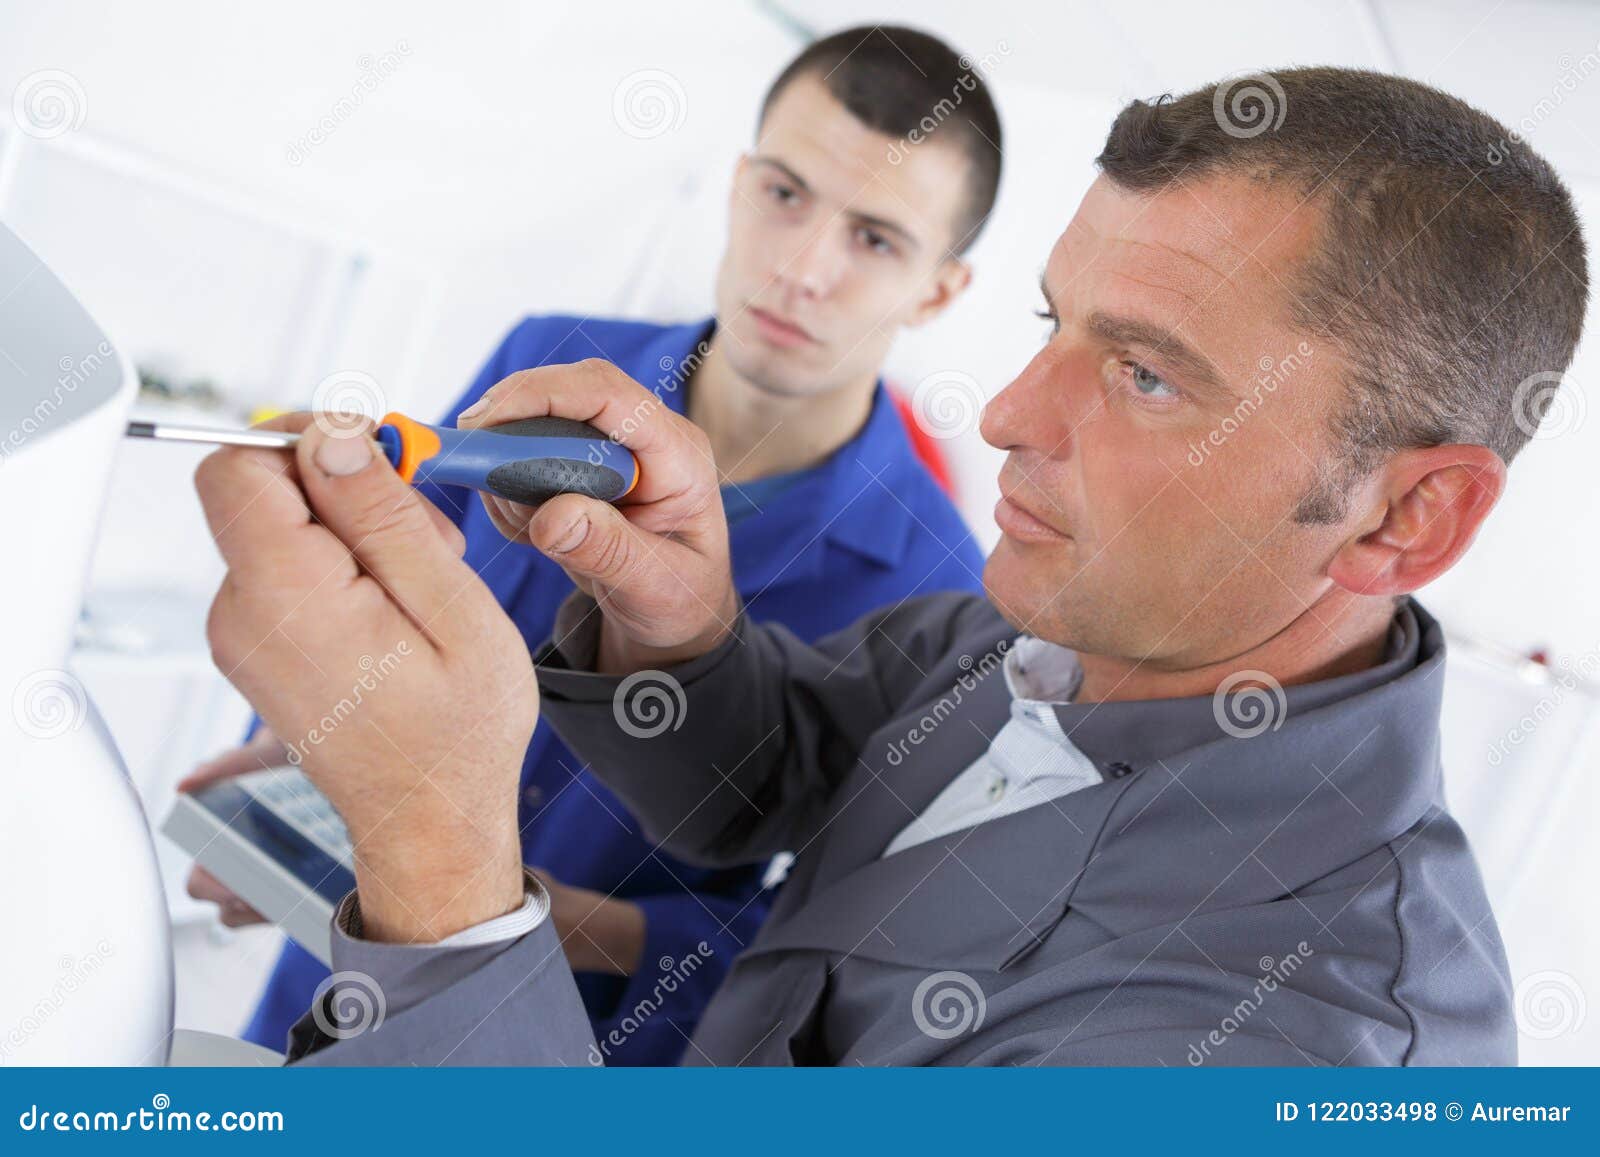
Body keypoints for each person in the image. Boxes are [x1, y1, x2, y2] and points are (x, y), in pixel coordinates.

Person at [191, 65, 1588, 1066]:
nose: (1006, 418)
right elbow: (786, 762)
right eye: (1060, 324)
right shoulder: (1030, 633)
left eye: (1150, 377)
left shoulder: (1293, 1038)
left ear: (1408, 518)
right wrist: (673, 626)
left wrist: (437, 856)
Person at [179, 24, 999, 1063]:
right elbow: (392, 586)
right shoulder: (546, 356)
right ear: (741, 184)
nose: (801, 268)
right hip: (338, 966)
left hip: (573, 1049)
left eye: (874, 238)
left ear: (936, 289)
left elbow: (831, 947)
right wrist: (299, 750)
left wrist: (498, 899)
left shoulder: (941, 588)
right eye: (786, 194)